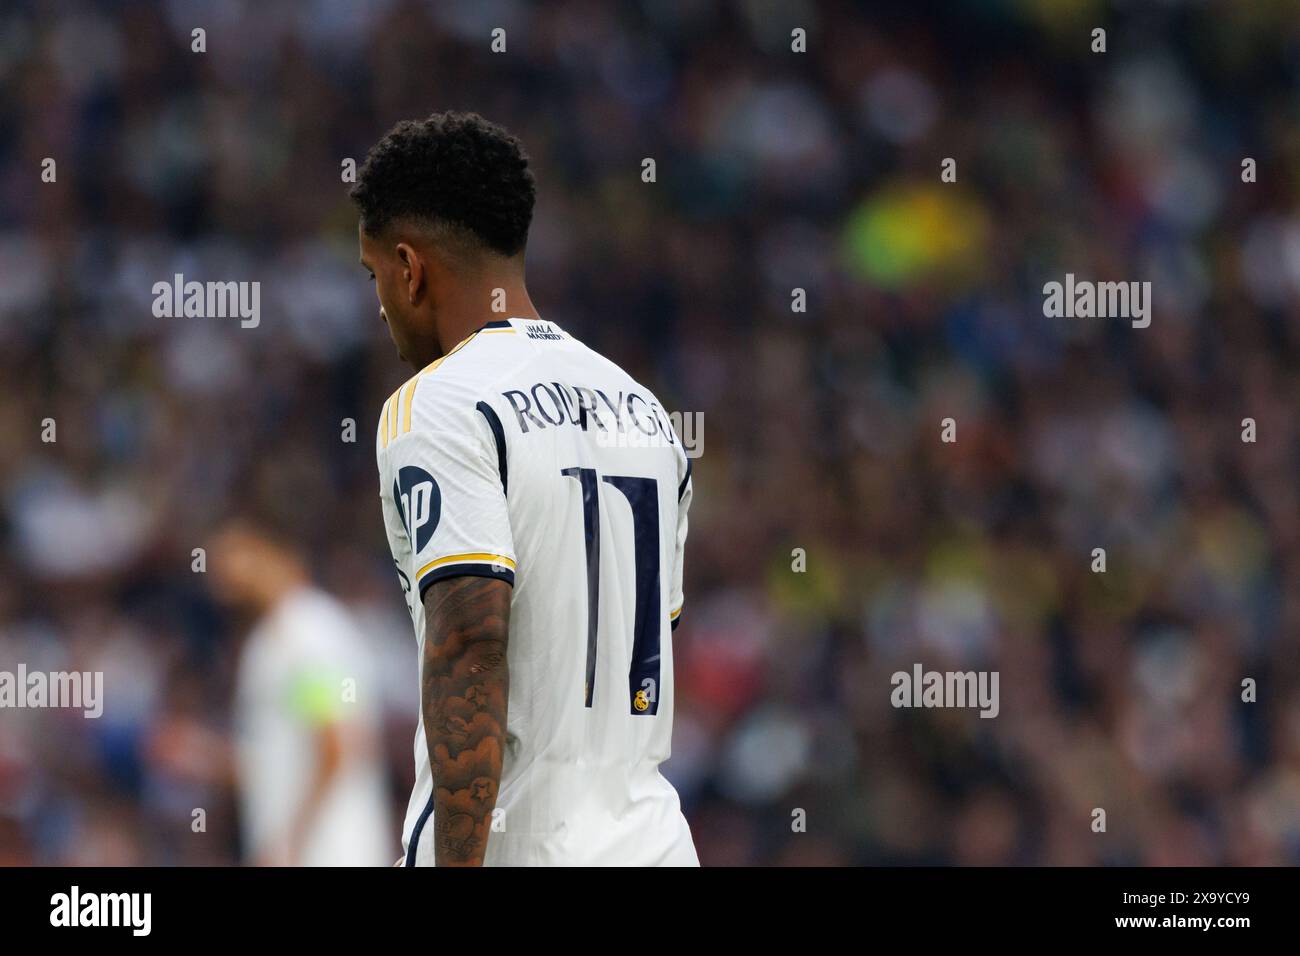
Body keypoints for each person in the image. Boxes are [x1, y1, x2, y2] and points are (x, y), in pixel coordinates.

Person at [352, 111, 697, 866]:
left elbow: (470, 645)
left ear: (409, 268)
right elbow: (643, 654)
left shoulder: (438, 404)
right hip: (657, 843)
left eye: (375, 276)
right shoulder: (645, 411)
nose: (380, 305)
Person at [211, 519, 393, 866]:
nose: (223, 568)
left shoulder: (308, 633)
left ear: (276, 552)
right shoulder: (270, 637)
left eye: (238, 551)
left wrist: (289, 844)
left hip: (330, 852)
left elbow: (334, 744)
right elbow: (274, 760)